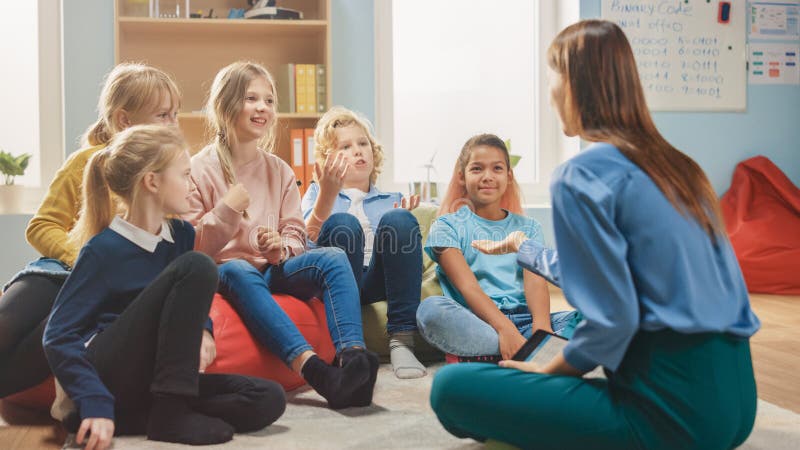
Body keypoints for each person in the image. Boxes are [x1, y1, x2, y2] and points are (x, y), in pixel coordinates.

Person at [428, 20, 760, 450]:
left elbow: (613, 318)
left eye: (554, 77)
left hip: (669, 417)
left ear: (575, 85)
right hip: (737, 409)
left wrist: (550, 371)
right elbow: (621, 278)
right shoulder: (682, 169)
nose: (551, 94)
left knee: (451, 387)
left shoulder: (581, 175)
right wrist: (525, 249)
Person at [44, 125, 285, 449]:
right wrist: (94, 401)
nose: (192, 184)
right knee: (199, 264)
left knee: (267, 398)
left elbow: (183, 302)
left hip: (155, 378)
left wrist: (204, 330)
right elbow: (58, 335)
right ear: (152, 182)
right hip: (111, 373)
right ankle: (169, 414)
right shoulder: (103, 250)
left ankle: (146, 415)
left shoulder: (180, 235)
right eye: (185, 175)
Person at [186, 62, 378, 409]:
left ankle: (354, 364)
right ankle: (314, 370)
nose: (262, 107)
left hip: (272, 269)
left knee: (333, 258)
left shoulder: (280, 170)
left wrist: (282, 249)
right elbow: (192, 248)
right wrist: (227, 211)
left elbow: (295, 231)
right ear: (225, 104)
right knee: (238, 268)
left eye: (269, 100)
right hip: (224, 273)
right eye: (251, 98)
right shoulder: (197, 169)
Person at [416, 134, 579, 363]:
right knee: (430, 311)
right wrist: (505, 329)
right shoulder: (446, 226)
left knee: (592, 318)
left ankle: (493, 354)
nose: (488, 177)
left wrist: (541, 332)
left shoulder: (529, 227)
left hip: (525, 321)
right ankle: (530, 352)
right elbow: (468, 287)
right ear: (462, 176)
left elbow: (536, 284)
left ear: (508, 176)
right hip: (478, 321)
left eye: (497, 168)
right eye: (477, 169)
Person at [301, 106, 426, 379]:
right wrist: (326, 196)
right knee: (343, 224)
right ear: (329, 160)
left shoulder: (393, 200)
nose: (358, 151)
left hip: (377, 280)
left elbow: (406, 260)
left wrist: (405, 222)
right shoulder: (317, 194)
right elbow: (306, 243)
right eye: (346, 147)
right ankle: (349, 347)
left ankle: (402, 341)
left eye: (363, 143)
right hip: (339, 280)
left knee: (400, 220)